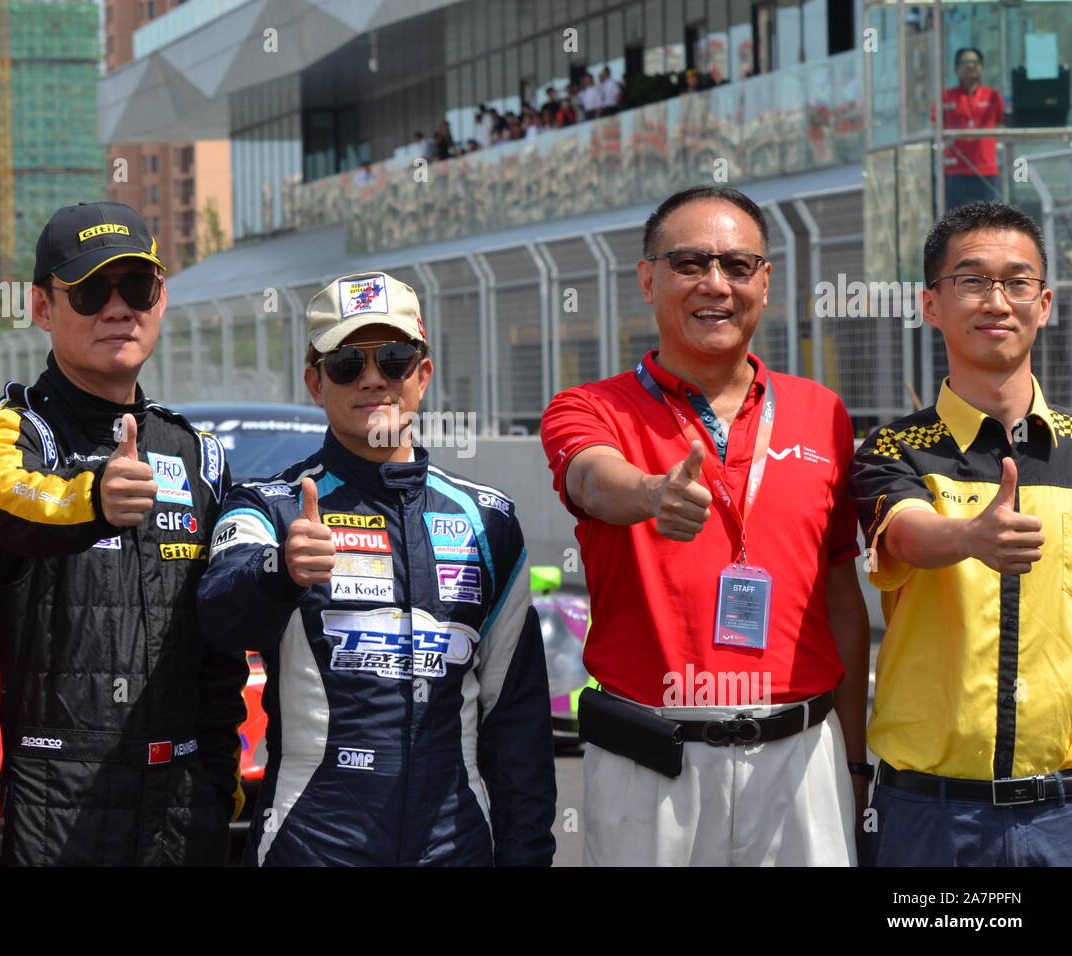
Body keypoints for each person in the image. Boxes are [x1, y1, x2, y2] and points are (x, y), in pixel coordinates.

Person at [540, 186, 870, 866]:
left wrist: (857, 760)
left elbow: (842, 595)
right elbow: (593, 480)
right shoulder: (588, 407)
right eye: (690, 263)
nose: (715, 284)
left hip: (800, 755)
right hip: (649, 761)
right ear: (647, 279)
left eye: (737, 265)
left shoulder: (822, 413)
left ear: (765, 282)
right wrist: (649, 492)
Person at [198, 272, 556, 866]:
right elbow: (218, 616)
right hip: (311, 842)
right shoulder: (270, 507)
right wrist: (279, 570)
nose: (372, 378)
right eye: (345, 363)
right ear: (315, 383)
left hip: (457, 844)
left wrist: (527, 855)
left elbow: (516, 722)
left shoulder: (488, 521)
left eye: (393, 358)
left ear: (423, 373)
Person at [0, 202, 248, 866]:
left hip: (178, 801)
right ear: (41, 307)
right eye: (89, 291)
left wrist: (217, 777)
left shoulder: (197, 452)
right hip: (46, 800)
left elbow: (220, 649)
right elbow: (3, 499)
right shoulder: (11, 430)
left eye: (135, 288)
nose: (117, 309)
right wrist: (92, 498)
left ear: (161, 299)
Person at [850, 201, 1071, 866]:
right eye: (971, 281)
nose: (996, 300)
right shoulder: (892, 447)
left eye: (1017, 281)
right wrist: (971, 537)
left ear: (1046, 303)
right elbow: (908, 537)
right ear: (930, 305)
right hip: (928, 817)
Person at [942, 48, 1004, 210]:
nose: (970, 66)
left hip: (986, 170)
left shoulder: (993, 96)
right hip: (955, 171)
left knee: (989, 223)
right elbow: (937, 124)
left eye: (974, 62)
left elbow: (1000, 124)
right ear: (956, 69)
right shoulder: (946, 97)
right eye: (965, 62)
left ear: (981, 67)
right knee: (956, 224)